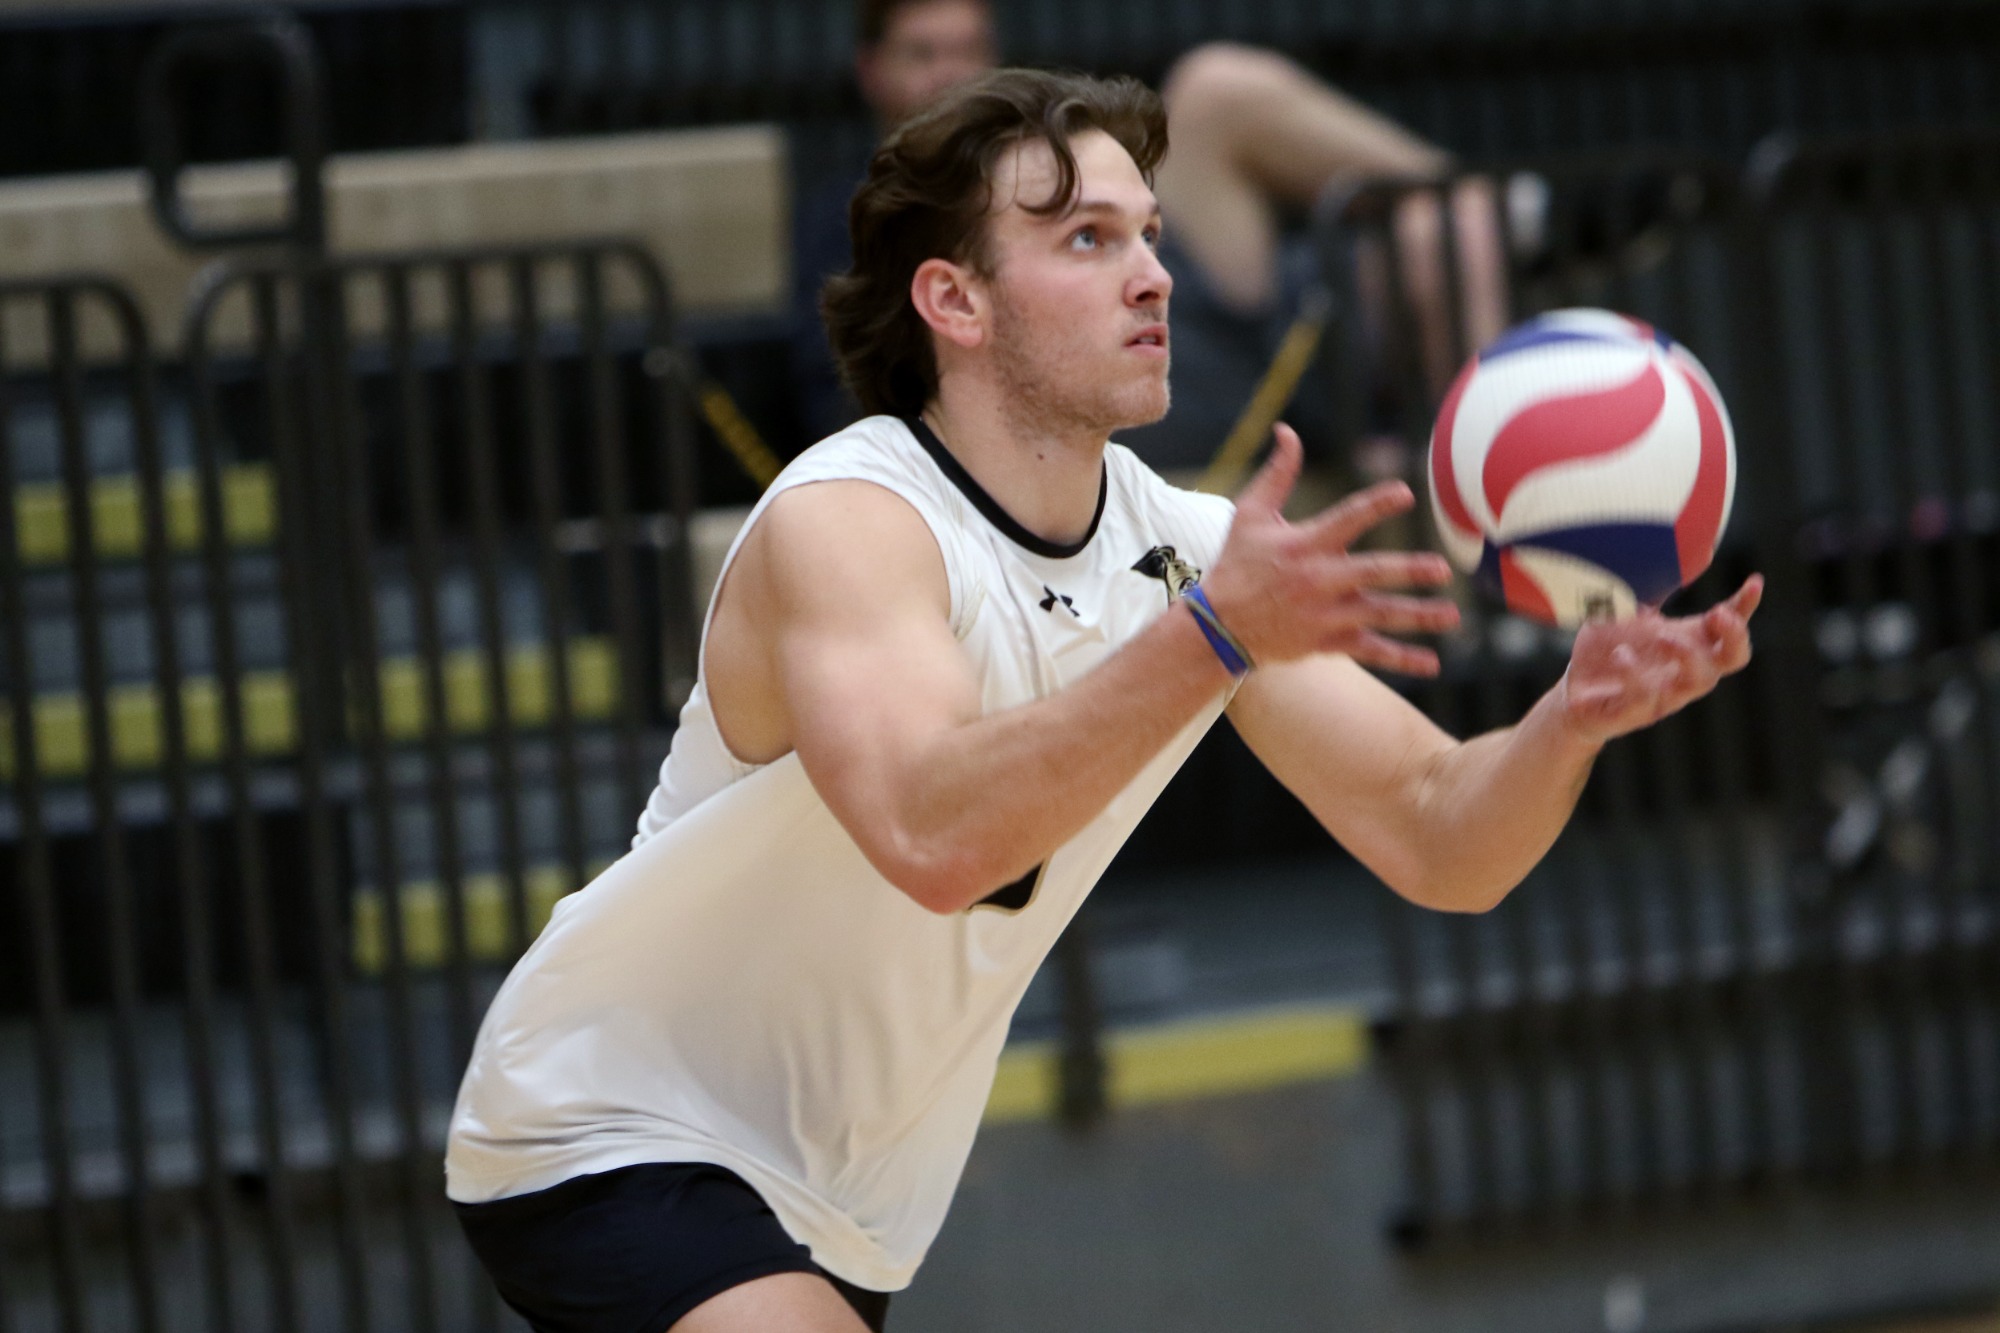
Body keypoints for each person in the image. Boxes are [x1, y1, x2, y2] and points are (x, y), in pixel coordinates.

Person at [447, 68, 1761, 1333]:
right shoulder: (852, 521)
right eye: (1086, 237)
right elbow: (931, 834)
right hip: (610, 1113)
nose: (1152, 274)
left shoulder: (1186, 549)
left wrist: (1568, 718)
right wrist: (1211, 636)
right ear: (954, 300)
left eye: (1149, 233)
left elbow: (1439, 833)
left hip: (847, 1201)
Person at [791, 0, 1511, 469]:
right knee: (1212, 91)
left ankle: (1489, 470)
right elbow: (851, 391)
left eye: (969, 49)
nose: (952, 72)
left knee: (1446, 223)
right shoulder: (855, 210)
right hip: (1080, 393)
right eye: (923, 53)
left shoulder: (1053, 175)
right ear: (871, 70)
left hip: (1193, 346)